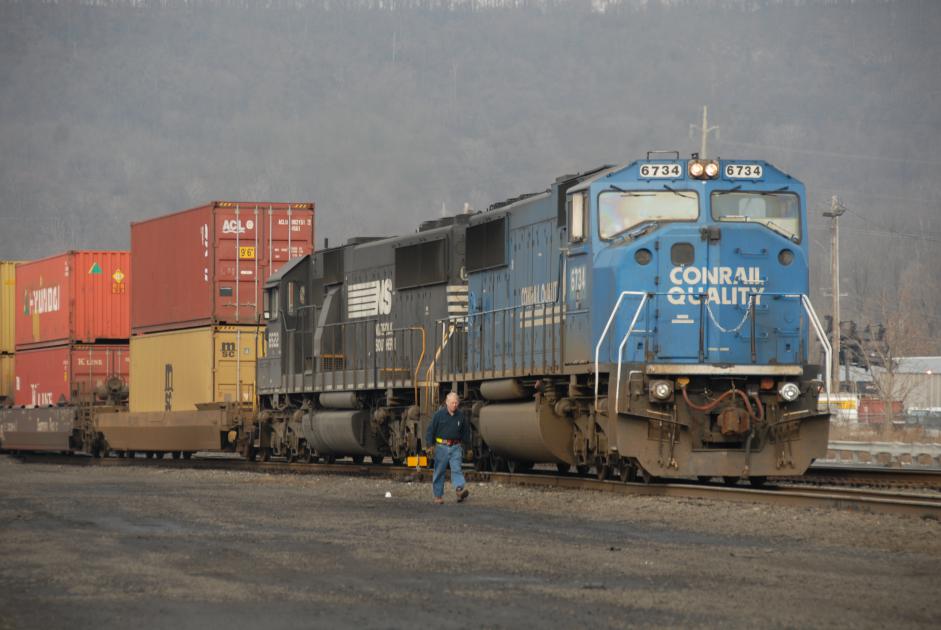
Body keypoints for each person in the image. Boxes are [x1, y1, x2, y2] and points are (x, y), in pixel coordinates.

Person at [425, 391, 471, 504]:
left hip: (456, 446)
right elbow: (430, 431)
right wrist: (430, 446)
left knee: (457, 469)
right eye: (452, 403)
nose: (454, 405)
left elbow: (466, 433)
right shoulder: (438, 415)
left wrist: (469, 448)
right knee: (439, 471)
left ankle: (459, 490)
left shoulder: (460, 416)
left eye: (456, 403)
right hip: (441, 447)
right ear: (447, 402)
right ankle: (438, 496)